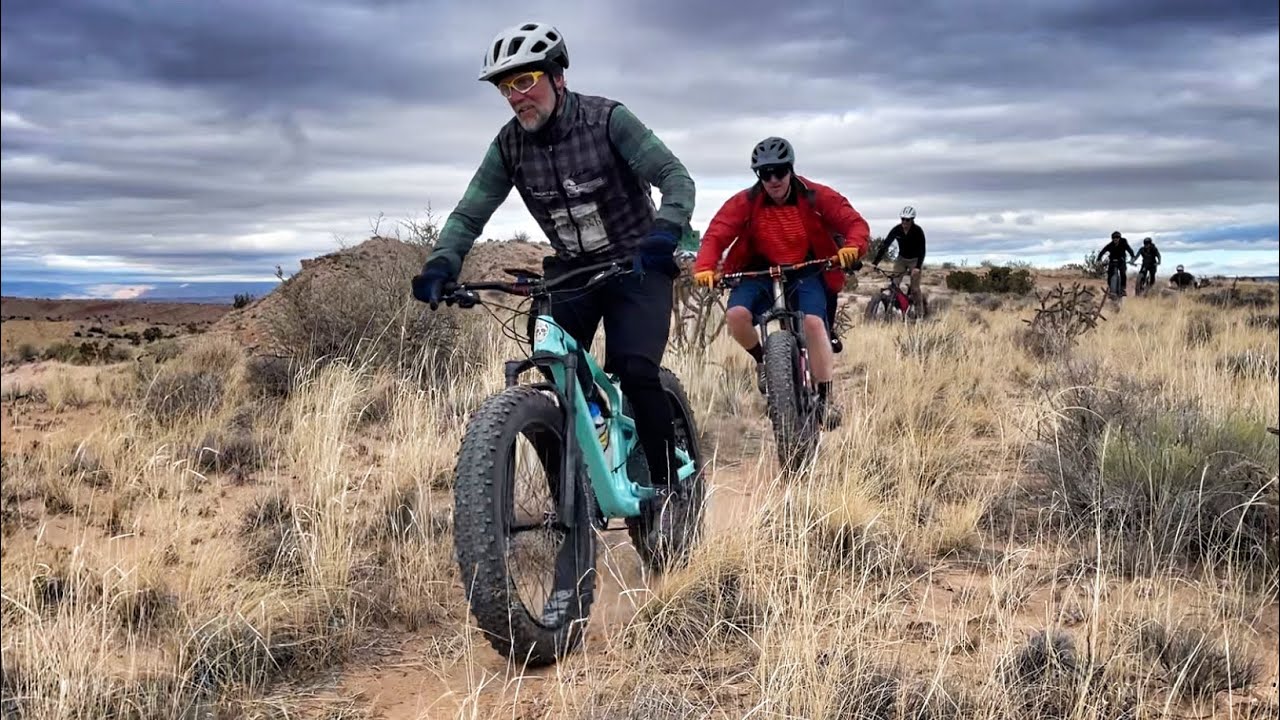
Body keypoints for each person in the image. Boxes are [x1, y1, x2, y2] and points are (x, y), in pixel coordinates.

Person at [410, 21, 696, 494]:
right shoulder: (509, 146)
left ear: (557, 78)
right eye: (506, 87)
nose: (517, 95)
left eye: (526, 81)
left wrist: (664, 231)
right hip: (574, 269)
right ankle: (572, 492)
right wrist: (442, 263)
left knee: (635, 367)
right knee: (551, 360)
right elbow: (469, 213)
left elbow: (674, 176)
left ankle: (667, 492)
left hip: (636, 262)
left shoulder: (607, 120)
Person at [690, 136, 869, 429]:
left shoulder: (815, 195)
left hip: (806, 270)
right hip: (758, 271)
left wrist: (852, 247)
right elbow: (717, 234)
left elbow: (853, 223)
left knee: (813, 324)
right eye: (765, 173)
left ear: (791, 169)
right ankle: (763, 362)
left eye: (779, 171)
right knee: (736, 316)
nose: (773, 180)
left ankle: (823, 401)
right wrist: (705, 266)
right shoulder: (745, 202)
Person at [872, 206, 927, 306]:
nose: (904, 222)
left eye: (907, 220)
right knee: (894, 285)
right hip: (901, 259)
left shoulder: (918, 231)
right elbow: (885, 245)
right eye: (903, 219)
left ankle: (920, 314)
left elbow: (922, 250)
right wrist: (875, 263)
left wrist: (918, 267)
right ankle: (893, 309)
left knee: (914, 289)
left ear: (912, 220)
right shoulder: (896, 230)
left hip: (914, 260)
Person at [1095, 231, 1136, 295]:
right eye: (1114, 237)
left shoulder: (1124, 243)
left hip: (1121, 261)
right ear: (1112, 238)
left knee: (1123, 273)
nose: (1115, 239)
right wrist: (1098, 259)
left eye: (1117, 237)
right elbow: (1103, 251)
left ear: (1119, 238)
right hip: (1112, 261)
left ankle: (1123, 288)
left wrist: (1132, 257)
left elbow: (1130, 250)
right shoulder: (1110, 245)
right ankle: (1110, 287)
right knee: (1109, 274)